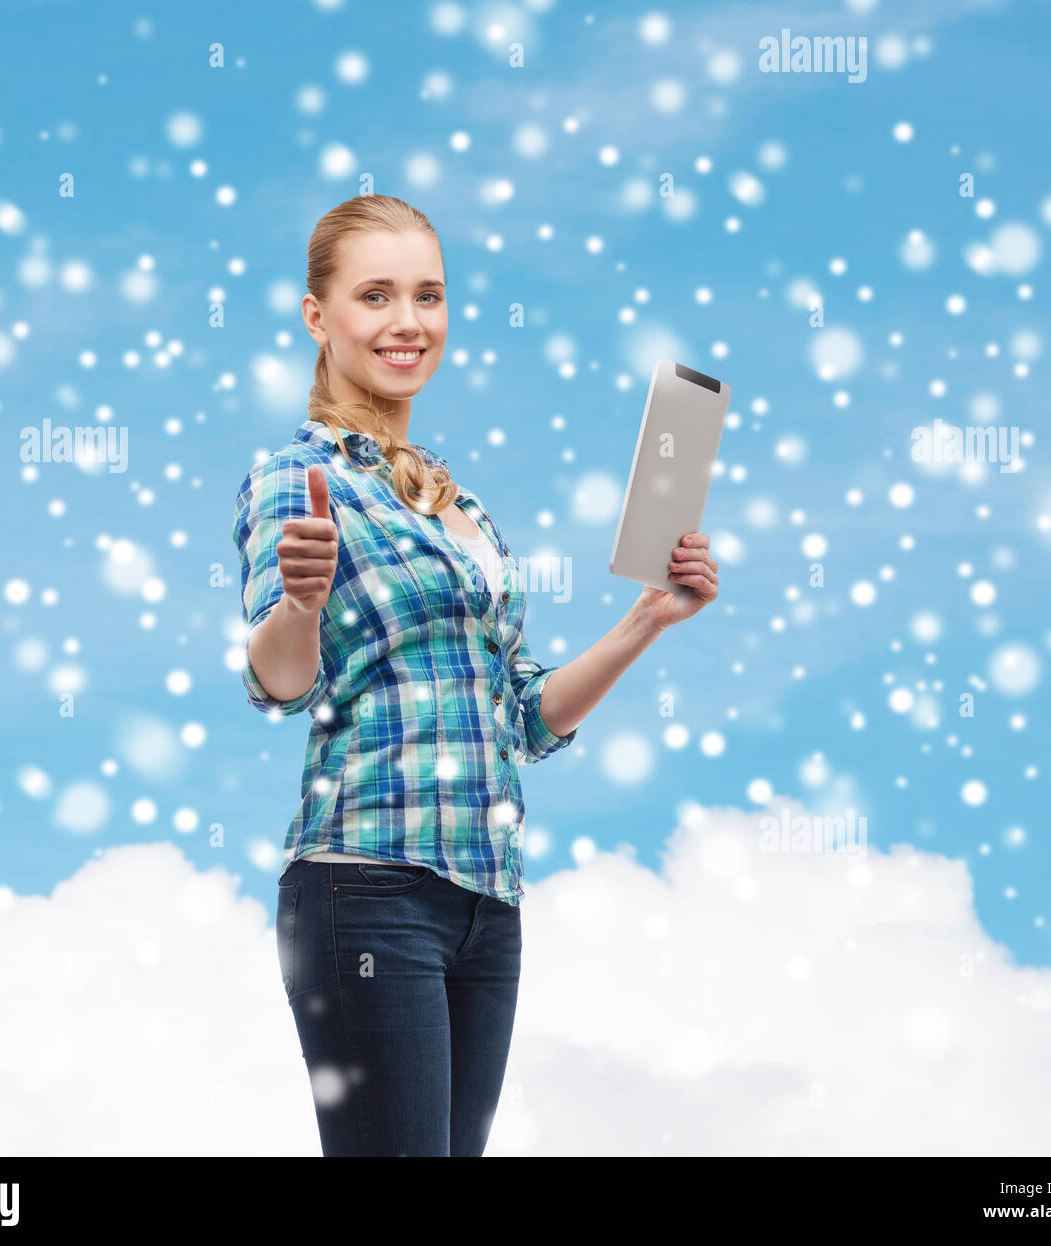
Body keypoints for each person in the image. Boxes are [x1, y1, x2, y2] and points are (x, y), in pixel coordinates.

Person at [232, 194, 719, 1156]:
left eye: (429, 295)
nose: (408, 322)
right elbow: (277, 680)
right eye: (375, 295)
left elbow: (522, 719)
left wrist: (645, 624)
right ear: (317, 317)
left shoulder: (464, 509)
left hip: (486, 905)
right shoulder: (300, 478)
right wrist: (297, 602)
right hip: (367, 885)